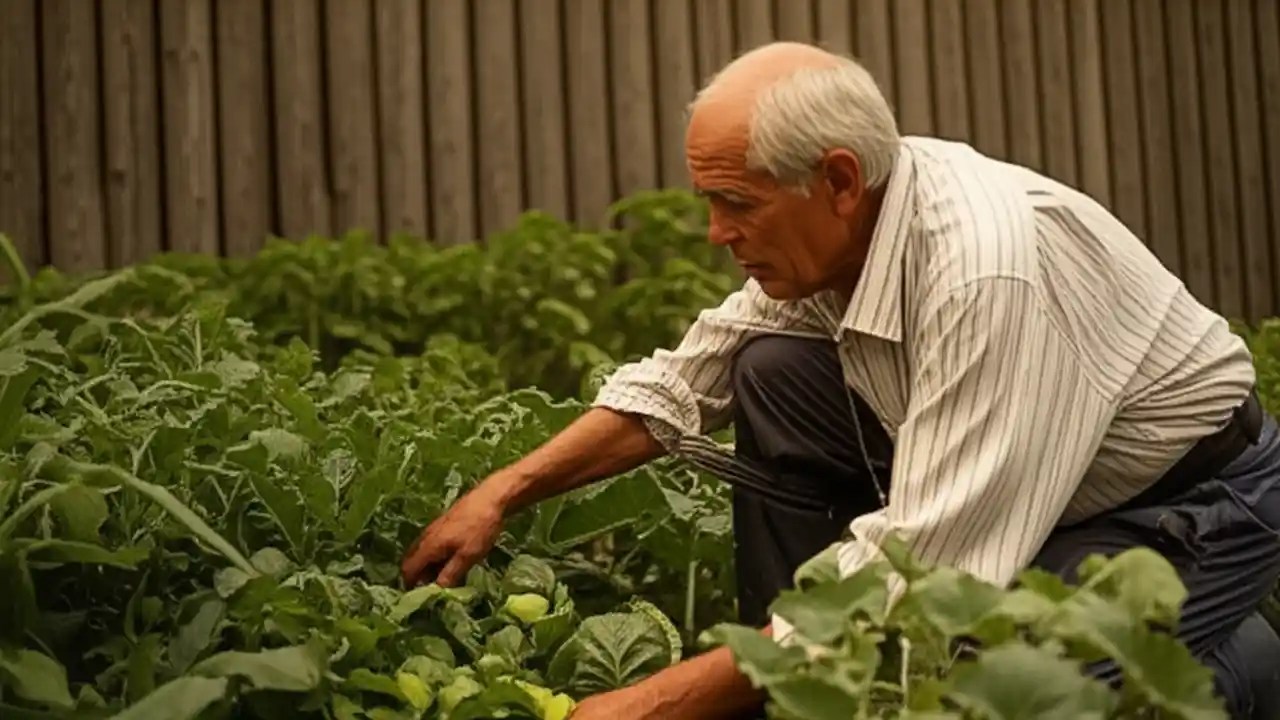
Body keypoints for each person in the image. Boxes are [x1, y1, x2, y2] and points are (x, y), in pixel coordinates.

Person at [401, 42, 1280, 719]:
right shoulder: (845, 233)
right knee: (771, 369)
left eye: (736, 203)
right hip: (1042, 490)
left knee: (993, 683)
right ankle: (799, 685)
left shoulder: (985, 274)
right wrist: (501, 493)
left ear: (838, 180)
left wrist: (655, 699)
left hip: (1190, 503)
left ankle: (1237, 660)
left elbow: (932, 571)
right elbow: (686, 380)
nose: (715, 233)